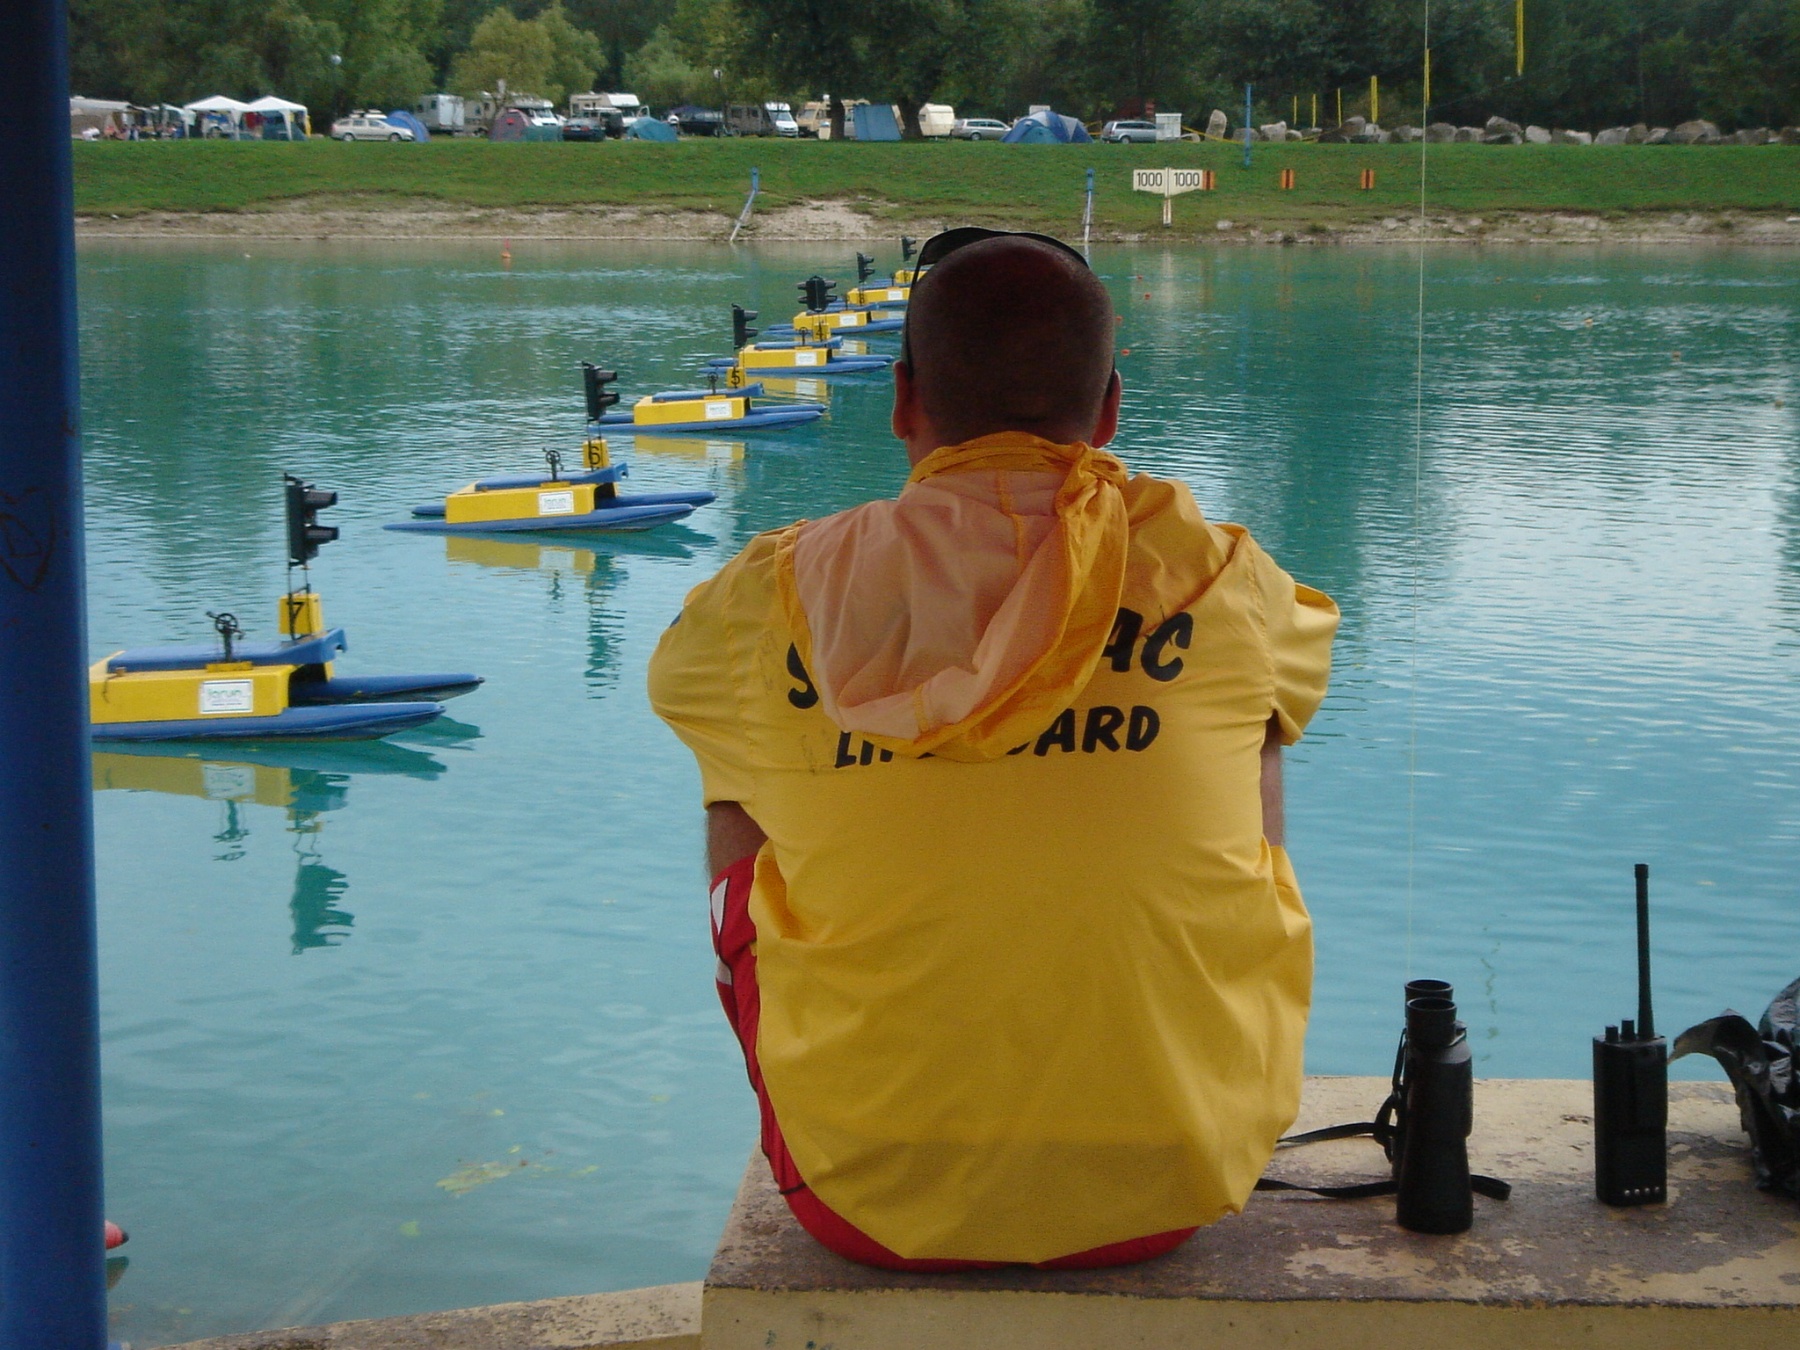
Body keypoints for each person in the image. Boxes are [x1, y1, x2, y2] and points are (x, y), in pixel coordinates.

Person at [648, 229, 1338, 1271]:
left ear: (902, 400)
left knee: (740, 780)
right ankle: (1178, 1063)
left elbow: (679, 686)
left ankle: (865, 1082)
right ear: (1109, 408)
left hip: (869, 1197)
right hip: (1175, 1177)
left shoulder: (769, 596)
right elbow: (1291, 676)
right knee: (1257, 728)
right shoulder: (1216, 575)